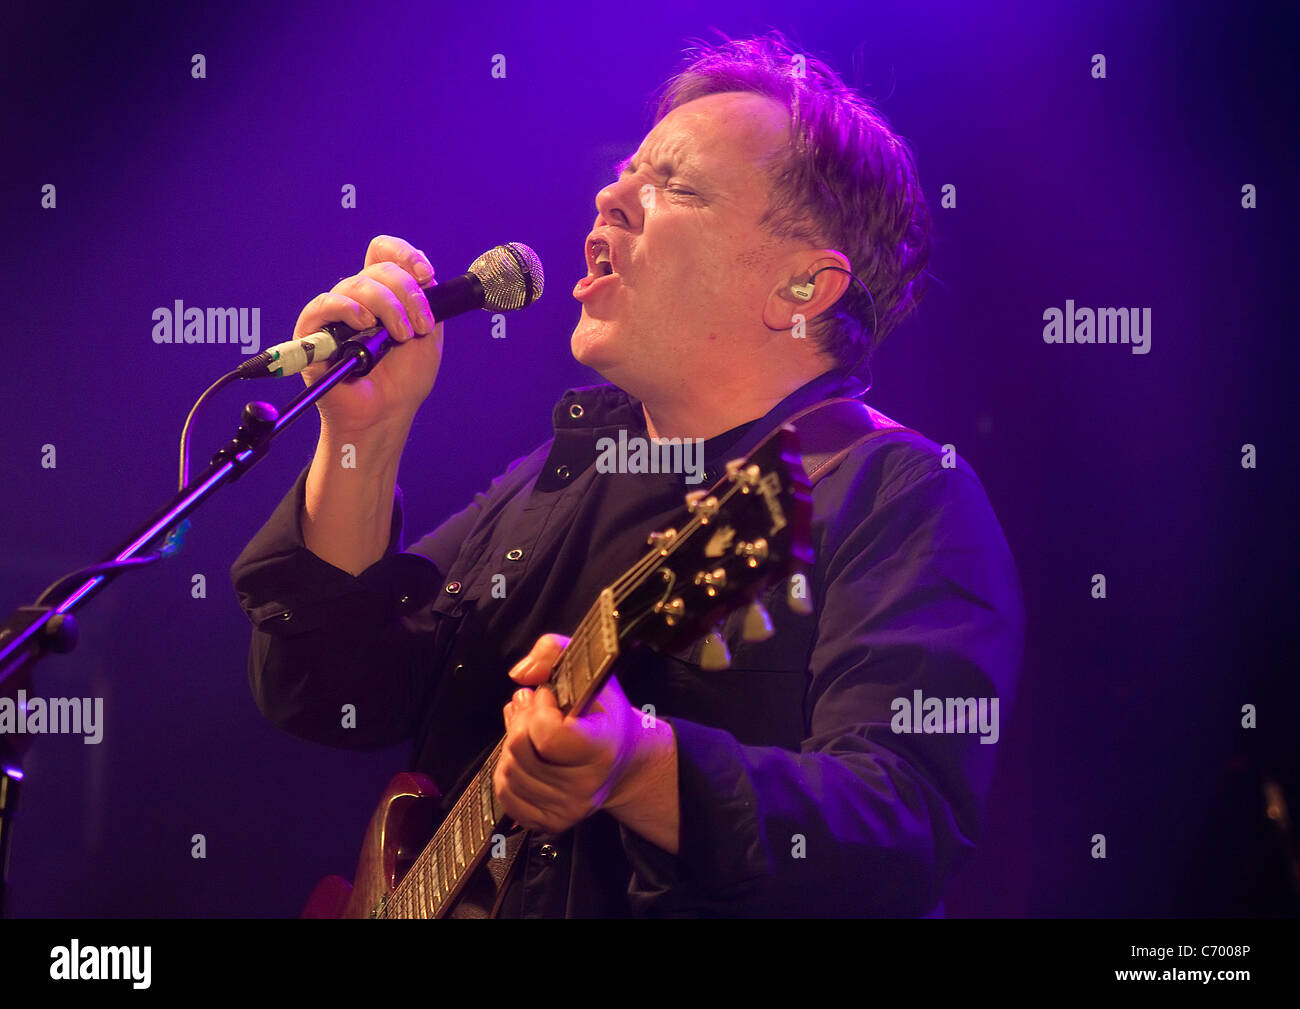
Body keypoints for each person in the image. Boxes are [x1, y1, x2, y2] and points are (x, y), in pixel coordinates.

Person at [231, 34, 1024, 917]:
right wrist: (363, 436)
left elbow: (902, 831)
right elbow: (330, 691)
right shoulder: (553, 480)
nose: (608, 197)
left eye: (674, 185)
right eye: (625, 175)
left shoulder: (900, 497)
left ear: (803, 288)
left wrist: (642, 769)